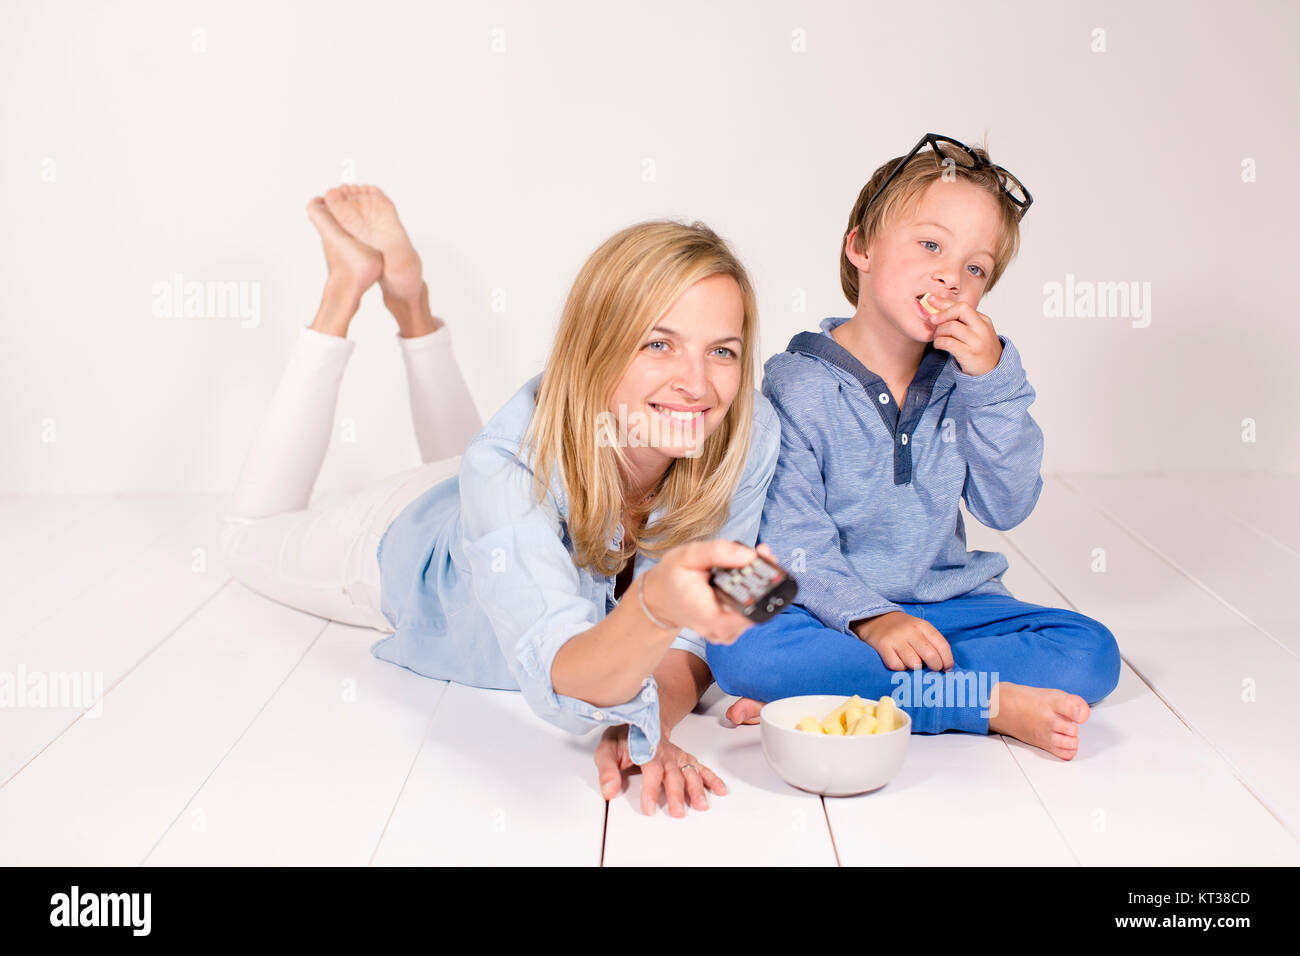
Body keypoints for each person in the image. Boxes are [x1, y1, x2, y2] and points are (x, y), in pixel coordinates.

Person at [220, 185, 780, 816]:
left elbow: (699, 643)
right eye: (659, 343)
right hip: (402, 540)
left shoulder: (749, 432)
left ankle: (410, 303)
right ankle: (345, 288)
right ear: (595, 345)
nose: (697, 384)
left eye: (722, 351)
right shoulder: (509, 463)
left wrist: (649, 720)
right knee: (246, 537)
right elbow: (563, 672)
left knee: (477, 463)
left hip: (484, 492)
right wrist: (654, 607)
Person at [707, 135, 1120, 760]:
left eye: (975, 268)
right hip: (814, 601)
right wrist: (871, 620)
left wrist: (991, 383)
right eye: (930, 245)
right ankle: (984, 702)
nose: (950, 277)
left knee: (1094, 654)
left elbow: (1005, 507)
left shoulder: (970, 381)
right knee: (735, 632)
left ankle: (830, 694)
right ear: (861, 247)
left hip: (940, 604)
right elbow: (791, 536)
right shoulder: (795, 382)